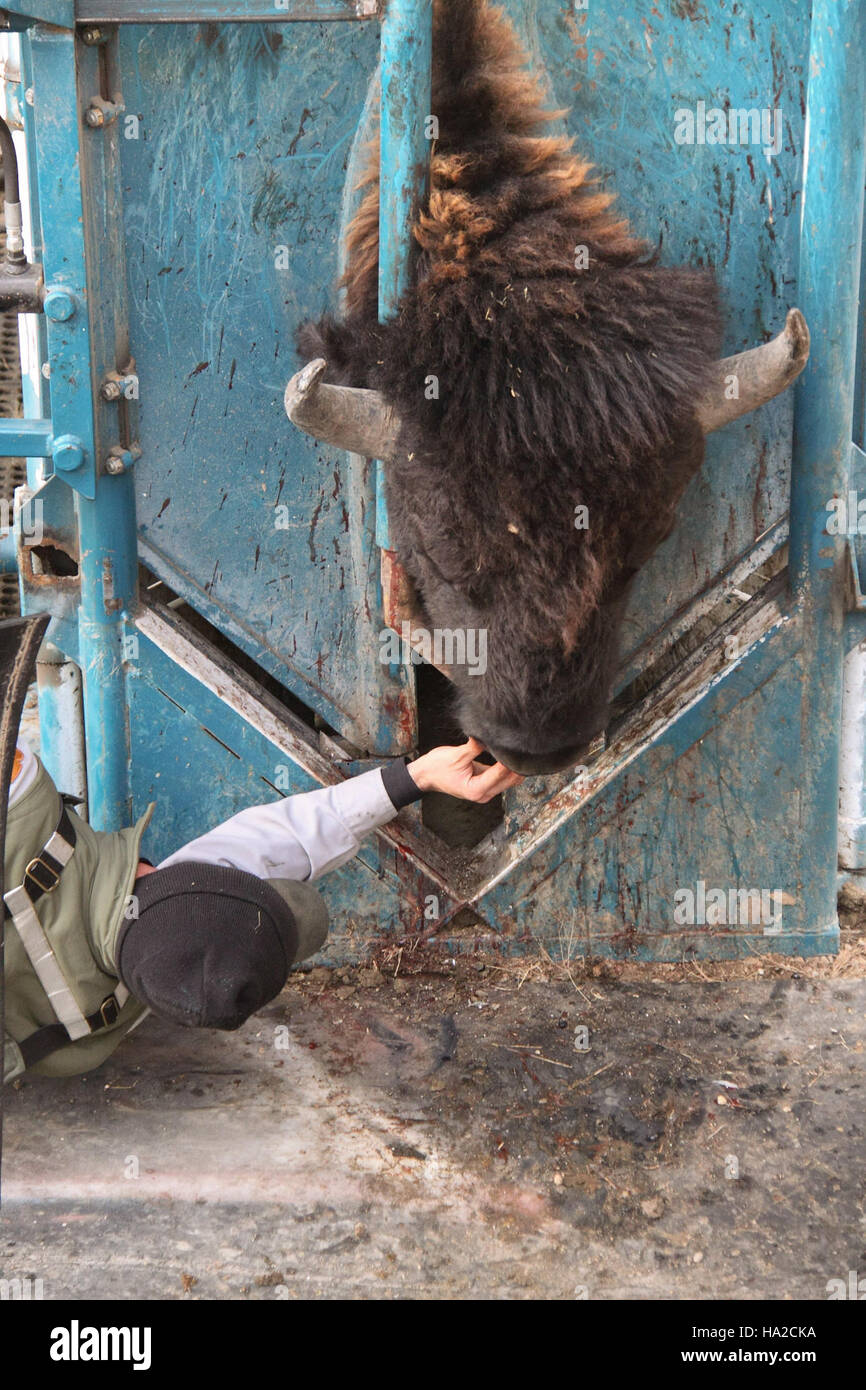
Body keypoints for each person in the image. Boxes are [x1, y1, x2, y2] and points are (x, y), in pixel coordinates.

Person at [2, 733, 521, 1084]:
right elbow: (278, 839)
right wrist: (418, 777)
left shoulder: (29, 822)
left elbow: (250, 850)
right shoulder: (151, 961)